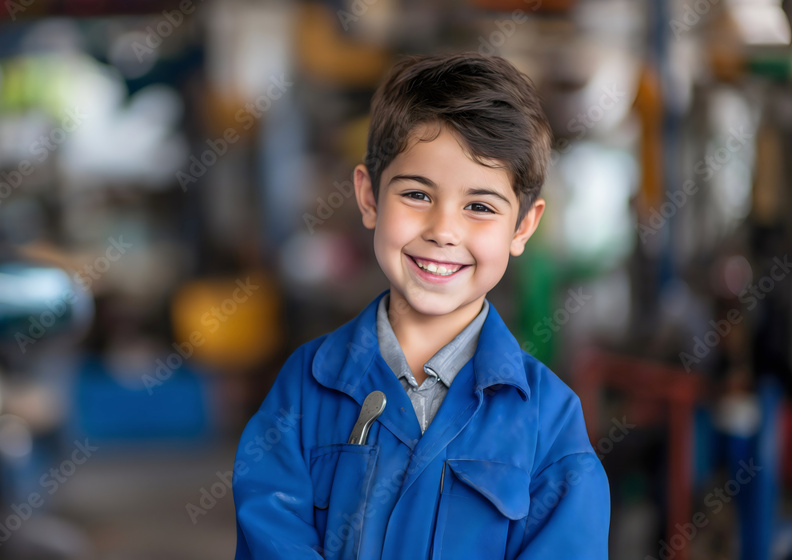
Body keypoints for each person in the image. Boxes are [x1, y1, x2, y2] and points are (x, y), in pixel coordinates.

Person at [232, 52, 610, 560]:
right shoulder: (304, 388)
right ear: (369, 197)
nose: (443, 231)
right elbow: (269, 530)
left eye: (479, 207)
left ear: (522, 226)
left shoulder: (550, 422)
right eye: (416, 194)